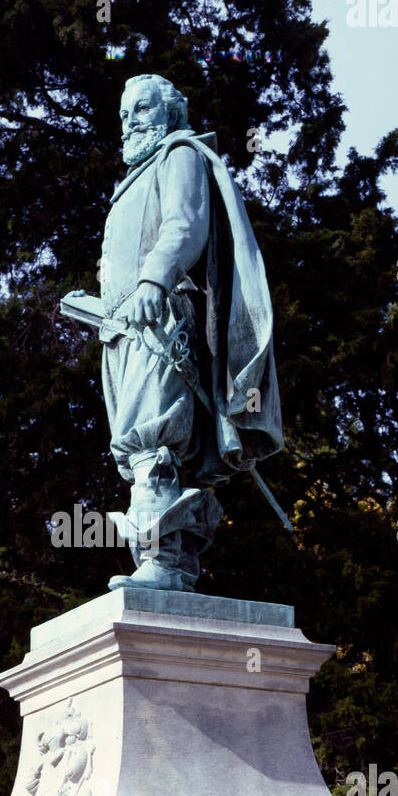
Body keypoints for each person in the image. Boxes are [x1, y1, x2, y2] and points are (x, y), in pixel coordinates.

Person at [92, 73, 283, 592]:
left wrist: (154, 277)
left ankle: (164, 559)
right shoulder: (132, 180)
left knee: (154, 436)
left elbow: (186, 223)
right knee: (139, 444)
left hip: (161, 320)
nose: (130, 121)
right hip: (122, 329)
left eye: (143, 108)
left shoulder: (180, 154)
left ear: (171, 114)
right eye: (125, 112)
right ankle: (176, 563)